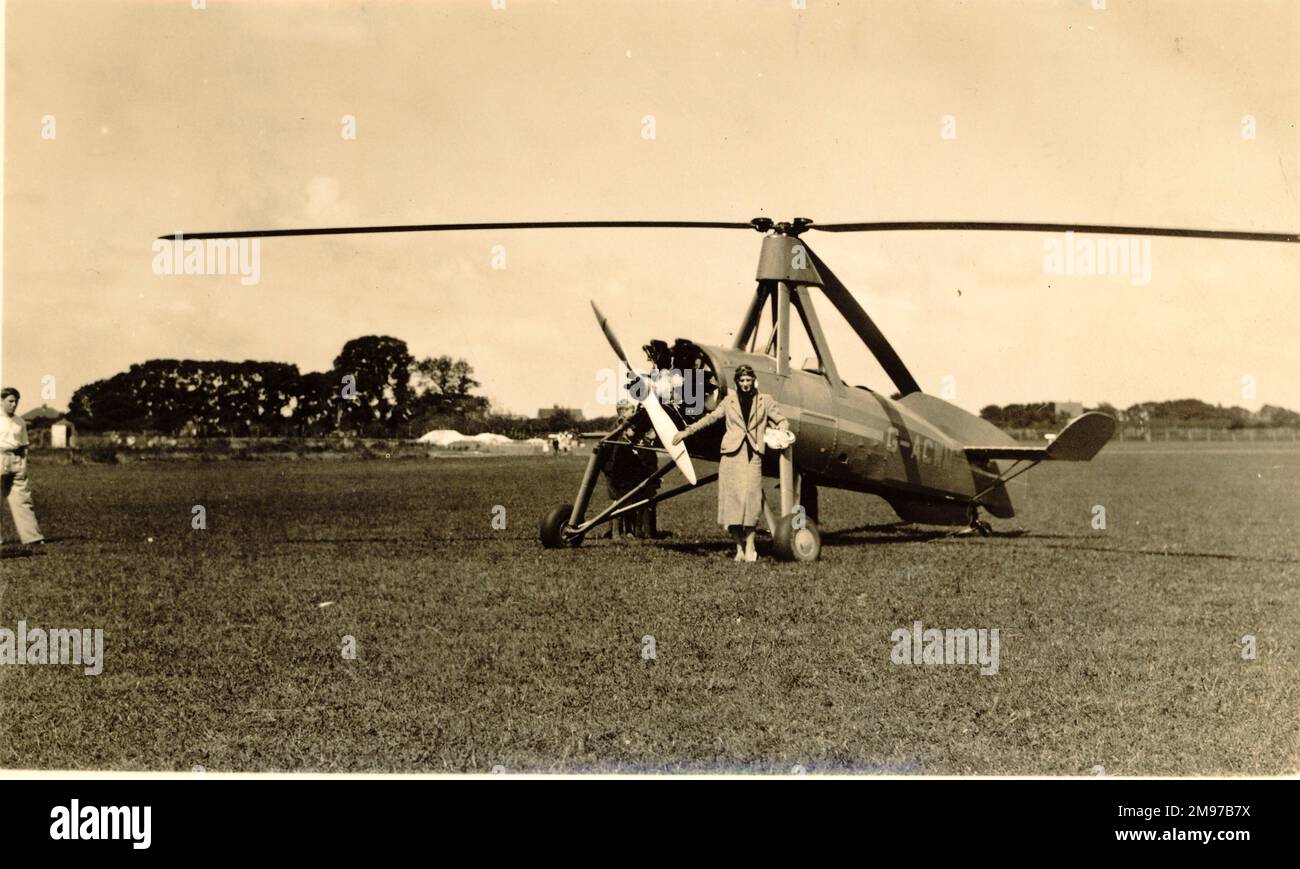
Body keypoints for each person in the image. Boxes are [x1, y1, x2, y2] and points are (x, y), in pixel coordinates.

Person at [672, 364, 787, 562]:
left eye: (748, 380)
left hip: (753, 455)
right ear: (737, 382)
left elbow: (782, 420)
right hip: (731, 455)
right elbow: (711, 418)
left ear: (753, 380)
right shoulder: (729, 401)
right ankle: (739, 548)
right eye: (741, 381)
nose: (745, 384)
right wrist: (687, 431)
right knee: (732, 502)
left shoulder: (765, 401)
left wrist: (779, 431)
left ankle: (750, 546)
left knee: (751, 501)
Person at [1, 387, 45, 548]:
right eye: (10, 401)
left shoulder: (20, 421)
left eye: (16, 401)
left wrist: (23, 464)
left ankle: (32, 537)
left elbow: (24, 445)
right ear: (1, 401)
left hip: (16, 459)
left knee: (23, 498)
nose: (14, 404)